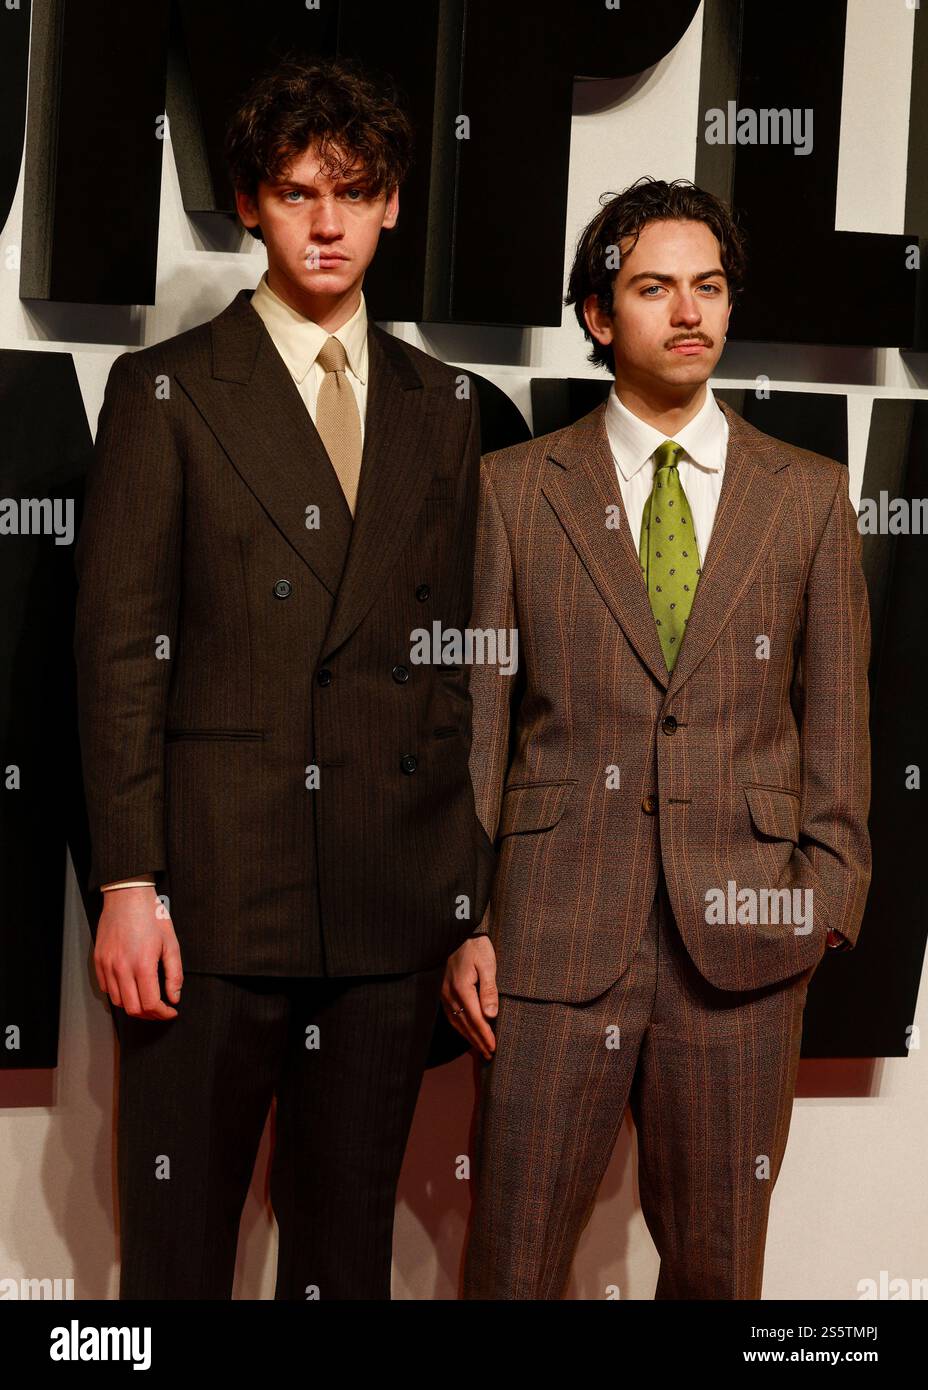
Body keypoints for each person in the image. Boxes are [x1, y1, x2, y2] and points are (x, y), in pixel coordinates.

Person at [74, 54, 493, 1300]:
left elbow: (457, 674)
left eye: (354, 193)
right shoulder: (164, 390)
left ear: (393, 207)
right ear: (251, 202)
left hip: (387, 899)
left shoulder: (448, 406)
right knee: (178, 1253)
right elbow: (116, 653)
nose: (327, 221)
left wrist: (465, 901)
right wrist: (129, 880)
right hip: (207, 897)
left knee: (344, 1254)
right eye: (300, 191)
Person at [443, 176, 871, 1299]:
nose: (688, 312)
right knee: (510, 1267)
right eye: (653, 287)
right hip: (545, 942)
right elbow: (478, 720)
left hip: (745, 947)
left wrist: (825, 898)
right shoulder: (512, 491)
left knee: (721, 1277)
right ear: (598, 314)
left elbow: (836, 723)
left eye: (709, 287)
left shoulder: (811, 498)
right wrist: (469, 918)